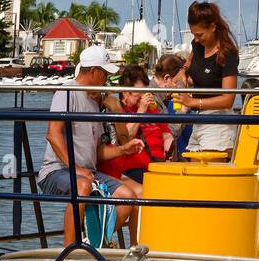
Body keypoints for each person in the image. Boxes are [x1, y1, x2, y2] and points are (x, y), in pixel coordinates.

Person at [36, 45, 143, 246]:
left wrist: (123, 149)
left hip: (88, 171)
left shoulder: (95, 102)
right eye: (104, 74)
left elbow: (96, 151)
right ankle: (71, 251)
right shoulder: (66, 92)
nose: (106, 80)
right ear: (93, 72)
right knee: (82, 185)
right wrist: (76, 169)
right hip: (55, 171)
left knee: (128, 198)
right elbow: (53, 134)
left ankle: (93, 243)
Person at [180, 1, 240, 156]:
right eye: (194, 34)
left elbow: (228, 99)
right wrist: (183, 71)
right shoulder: (198, 45)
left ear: (213, 27)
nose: (197, 39)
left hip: (218, 122)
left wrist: (192, 102)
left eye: (200, 34)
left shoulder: (227, 54)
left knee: (209, 176)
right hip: (199, 120)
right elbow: (191, 60)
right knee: (195, 175)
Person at [103, 64, 170, 184]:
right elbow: (125, 138)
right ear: (125, 93)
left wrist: (169, 152)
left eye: (144, 93)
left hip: (159, 165)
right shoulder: (117, 109)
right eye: (138, 95)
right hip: (132, 168)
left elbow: (166, 133)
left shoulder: (151, 108)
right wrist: (140, 112)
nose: (142, 99)